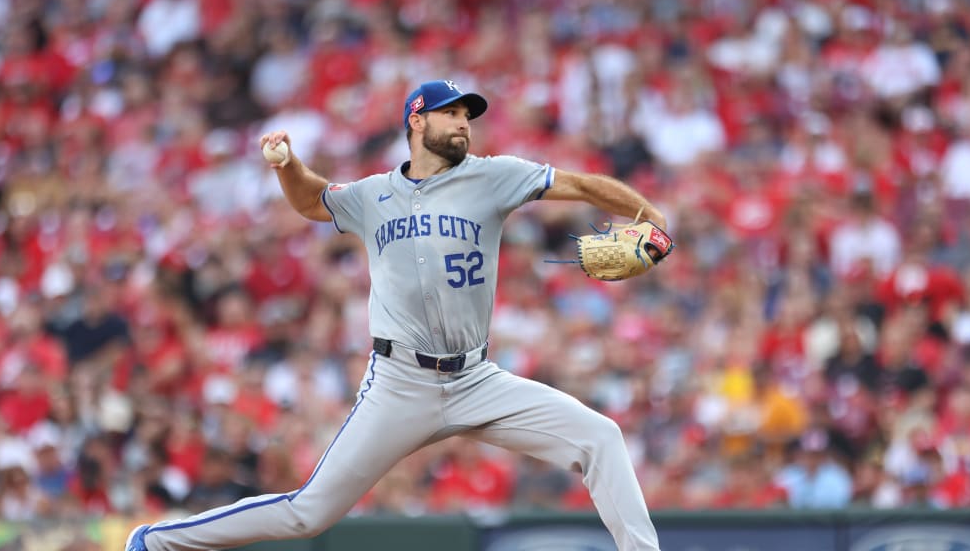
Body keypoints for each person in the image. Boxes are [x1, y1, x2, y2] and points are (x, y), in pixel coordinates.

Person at [126, 79, 665, 551]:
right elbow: (313, 202)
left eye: (467, 116)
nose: (463, 124)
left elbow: (581, 184)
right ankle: (156, 542)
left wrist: (650, 214)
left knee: (602, 438)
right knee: (308, 512)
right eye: (451, 113)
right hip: (400, 382)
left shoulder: (495, 176)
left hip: (477, 378)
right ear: (417, 119)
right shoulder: (373, 194)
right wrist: (290, 166)